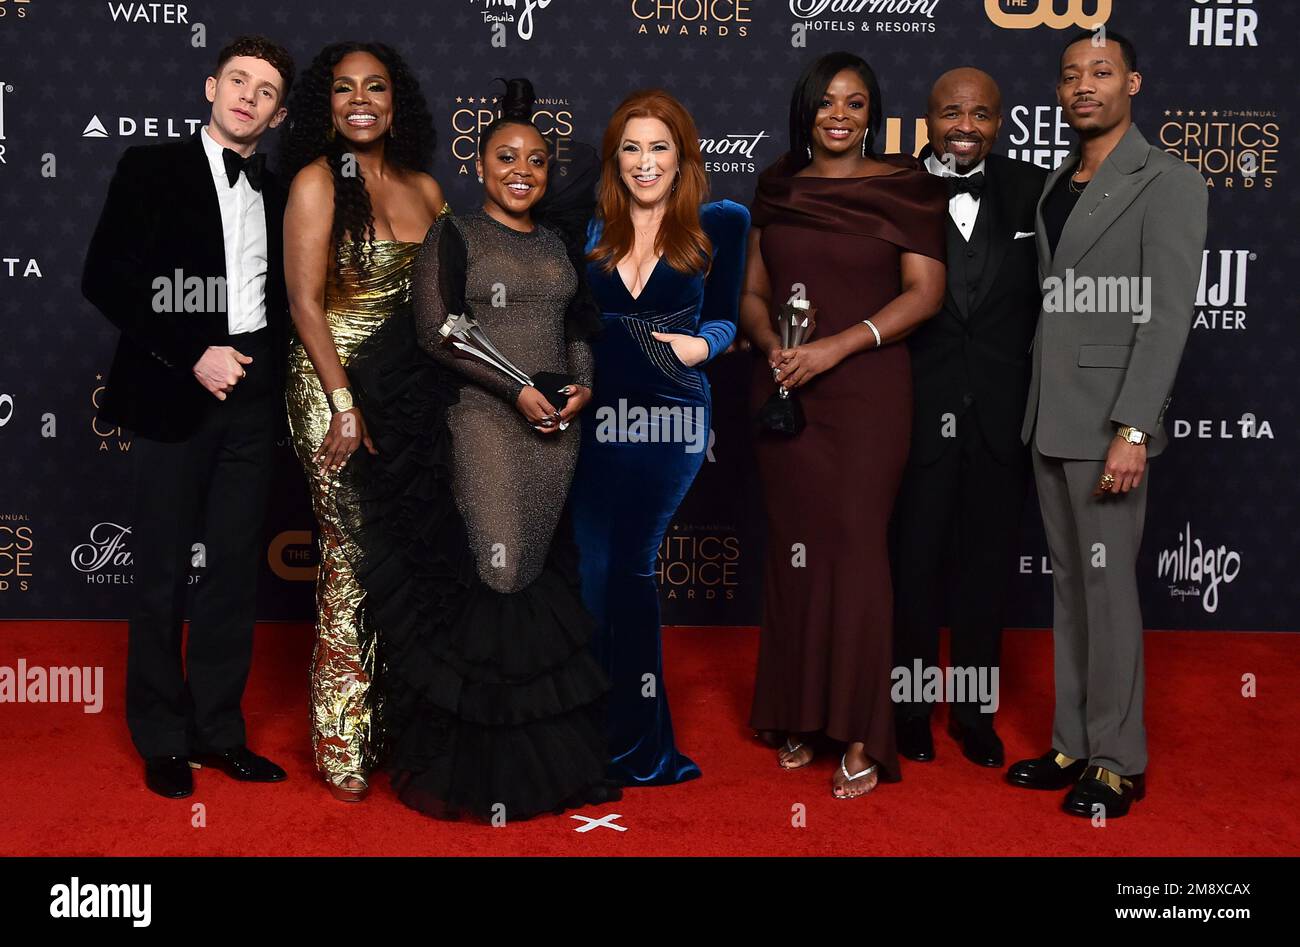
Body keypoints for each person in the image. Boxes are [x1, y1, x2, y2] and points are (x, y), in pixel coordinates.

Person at [340, 78, 620, 821]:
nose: (521, 169)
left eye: (534, 158)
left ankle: (539, 763)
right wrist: (516, 390)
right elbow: (438, 332)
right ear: (480, 166)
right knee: (495, 574)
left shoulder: (560, 242)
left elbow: (579, 324)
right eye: (505, 157)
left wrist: (582, 388)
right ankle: (481, 768)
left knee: (531, 574)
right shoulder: (453, 234)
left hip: (556, 431)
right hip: (488, 425)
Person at [81, 35, 295, 799]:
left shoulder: (277, 192)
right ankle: (162, 737)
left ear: (275, 113)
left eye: (266, 90)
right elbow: (104, 276)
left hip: (252, 395)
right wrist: (191, 350)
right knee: (163, 571)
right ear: (211, 88)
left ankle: (218, 731)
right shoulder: (151, 168)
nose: (248, 95)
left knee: (234, 572)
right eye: (238, 80)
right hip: (175, 386)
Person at [1007, 30, 1207, 818]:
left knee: (1108, 591)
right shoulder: (1060, 178)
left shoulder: (1169, 179)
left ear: (1133, 81)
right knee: (1070, 589)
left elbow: (1165, 318)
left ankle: (1120, 759)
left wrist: (1133, 427)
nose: (1082, 85)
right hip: (1050, 415)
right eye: (1070, 75)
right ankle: (1075, 739)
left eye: (1100, 72)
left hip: (1108, 423)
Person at [740, 52, 946, 799]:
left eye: (855, 103)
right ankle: (797, 710)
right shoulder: (779, 184)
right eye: (827, 101)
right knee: (793, 553)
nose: (839, 114)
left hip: (865, 391)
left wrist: (838, 344)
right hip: (785, 386)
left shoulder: (905, 186)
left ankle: (861, 730)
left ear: (873, 113)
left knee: (856, 553)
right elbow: (753, 292)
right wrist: (775, 348)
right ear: (807, 107)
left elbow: (924, 295)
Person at [280, 42, 446, 803]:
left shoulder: (425, 188)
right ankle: (341, 735)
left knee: (407, 556)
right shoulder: (318, 181)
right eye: (343, 89)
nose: (360, 99)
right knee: (350, 558)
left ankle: (394, 727)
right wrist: (344, 403)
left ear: (395, 100)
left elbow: (449, 307)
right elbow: (305, 305)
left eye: (374, 87)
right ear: (326, 104)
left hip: (410, 388)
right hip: (333, 381)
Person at [571, 89, 749, 787]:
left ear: (683, 157)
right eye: (632, 149)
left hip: (672, 415)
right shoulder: (590, 228)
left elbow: (729, 318)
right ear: (616, 160)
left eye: (659, 148)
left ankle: (638, 748)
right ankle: (584, 738)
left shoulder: (720, 222)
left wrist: (702, 347)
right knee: (589, 577)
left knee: (632, 570)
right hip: (596, 415)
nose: (646, 163)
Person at [892, 68, 1047, 769]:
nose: (966, 125)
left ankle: (975, 717)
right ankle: (910, 712)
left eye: (981, 114)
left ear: (1000, 122)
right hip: (915, 414)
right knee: (914, 566)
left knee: (986, 573)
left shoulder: (1035, 188)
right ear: (927, 118)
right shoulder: (892, 186)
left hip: (1000, 417)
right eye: (951, 111)